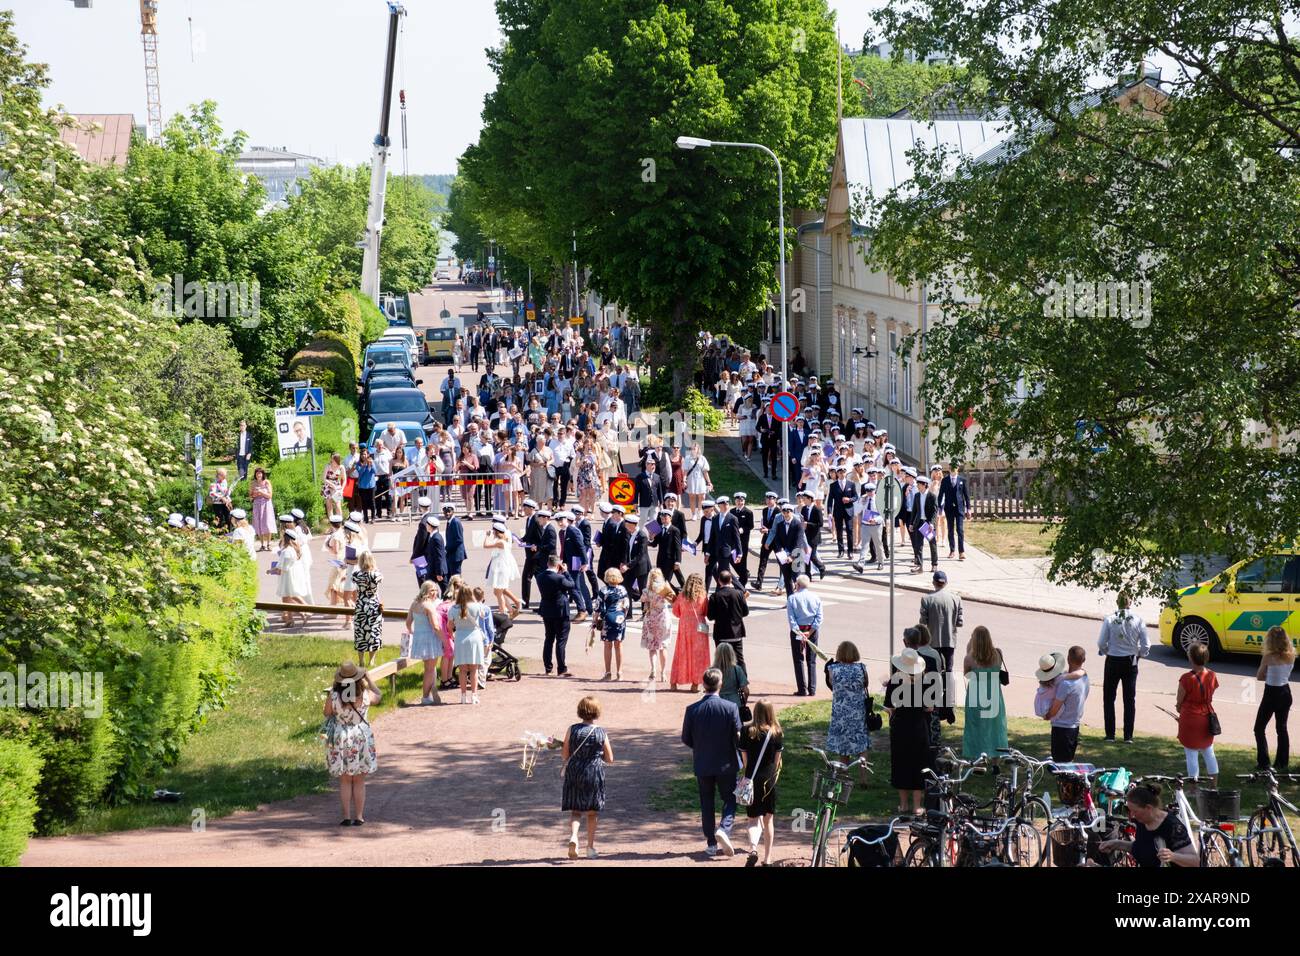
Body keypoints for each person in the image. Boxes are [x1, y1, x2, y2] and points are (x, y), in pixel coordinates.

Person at [681, 667, 743, 857]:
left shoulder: (692, 710)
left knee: (706, 803)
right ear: (720, 684)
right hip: (726, 763)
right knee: (730, 799)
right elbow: (738, 736)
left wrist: (699, 748)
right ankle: (724, 828)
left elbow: (686, 738)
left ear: (703, 684)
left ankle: (710, 842)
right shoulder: (730, 708)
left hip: (703, 763)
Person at [323, 661, 380, 826]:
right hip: (360, 736)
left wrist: (335, 688)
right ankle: (359, 816)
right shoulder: (365, 694)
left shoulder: (334, 695)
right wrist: (368, 679)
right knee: (359, 780)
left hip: (341, 737)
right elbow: (379, 694)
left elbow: (327, 713)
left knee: (345, 780)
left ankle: (346, 816)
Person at [562, 696, 615, 860]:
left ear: (580, 711)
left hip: (574, 771)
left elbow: (565, 754)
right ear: (597, 712)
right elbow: (610, 758)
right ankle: (590, 848)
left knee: (576, 810)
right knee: (592, 813)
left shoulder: (572, 729)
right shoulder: (601, 732)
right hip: (594, 773)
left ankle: (574, 837)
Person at [1098, 784, 1198, 867]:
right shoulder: (1141, 821)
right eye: (1129, 810)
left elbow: (1195, 861)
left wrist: (1173, 856)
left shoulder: (1173, 826)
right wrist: (1115, 844)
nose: (1131, 815)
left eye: (1135, 811)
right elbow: (1143, 847)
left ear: (1148, 808)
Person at [885, 647, 933, 814]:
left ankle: (903, 804)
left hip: (900, 726)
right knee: (919, 763)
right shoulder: (925, 681)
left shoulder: (895, 680)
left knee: (901, 763)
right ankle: (917, 805)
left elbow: (889, 706)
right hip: (919, 726)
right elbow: (929, 708)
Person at [1097, 591, 1149, 743]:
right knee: (1129, 698)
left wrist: (1108, 651)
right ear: (1130, 602)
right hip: (1130, 660)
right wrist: (1139, 654)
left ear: (1117, 603)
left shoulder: (1110, 619)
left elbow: (1101, 643)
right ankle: (1128, 735)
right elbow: (1146, 644)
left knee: (1109, 697)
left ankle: (1110, 734)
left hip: (1113, 659)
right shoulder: (1138, 620)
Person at [739, 700, 782, 867]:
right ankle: (768, 858)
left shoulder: (746, 730)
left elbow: (745, 760)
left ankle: (753, 849)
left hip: (751, 778)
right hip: (769, 780)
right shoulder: (776, 732)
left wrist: (747, 773)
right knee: (768, 820)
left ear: (755, 711)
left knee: (752, 819)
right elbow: (777, 761)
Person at [918, 570, 962, 719]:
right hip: (949, 641)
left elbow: (922, 622)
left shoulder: (927, 599)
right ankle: (948, 707)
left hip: (933, 642)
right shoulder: (956, 599)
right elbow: (959, 622)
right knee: (948, 672)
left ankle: (935, 704)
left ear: (934, 582)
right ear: (946, 582)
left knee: (933, 674)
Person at [826, 641, 872, 779]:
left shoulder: (833, 669)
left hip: (841, 712)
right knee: (862, 746)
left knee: (843, 746)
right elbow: (866, 684)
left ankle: (844, 775)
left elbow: (831, 684)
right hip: (858, 711)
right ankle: (863, 777)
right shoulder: (861, 668)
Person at [1176, 641, 1219, 786]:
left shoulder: (1186, 678)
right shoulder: (1212, 675)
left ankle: (1193, 787)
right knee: (1209, 752)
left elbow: (1179, 699)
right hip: (1207, 715)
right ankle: (1214, 784)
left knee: (1191, 754)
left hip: (1190, 717)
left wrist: (1179, 708)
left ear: (1191, 658)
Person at [962, 626, 1008, 760]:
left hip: (976, 695)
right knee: (995, 727)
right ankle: (996, 761)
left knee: (975, 726)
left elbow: (967, 674)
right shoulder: (998, 654)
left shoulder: (969, 658)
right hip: (994, 694)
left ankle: (977, 758)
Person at [1255, 625, 1295, 770]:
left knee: (1259, 728)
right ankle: (1282, 763)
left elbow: (1259, 676)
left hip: (1271, 693)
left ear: (1270, 640)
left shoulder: (1268, 657)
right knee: (1282, 729)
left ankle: (1264, 762)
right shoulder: (1291, 655)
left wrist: (1268, 673)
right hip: (1285, 692)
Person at [1041, 646, 1089, 762]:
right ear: (1083, 660)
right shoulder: (1085, 678)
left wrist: (1048, 715)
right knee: (1068, 759)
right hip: (1074, 725)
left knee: (1061, 764)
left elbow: (1056, 707)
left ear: (1068, 659)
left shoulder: (1066, 684)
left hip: (1062, 727)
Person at [404, 581, 445, 705]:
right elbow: (436, 627)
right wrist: (444, 640)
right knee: (430, 669)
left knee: (428, 668)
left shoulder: (414, 603)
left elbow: (408, 622)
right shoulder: (428, 606)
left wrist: (414, 633)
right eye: (431, 590)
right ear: (425, 591)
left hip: (420, 638)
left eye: (435, 590)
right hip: (430, 639)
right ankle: (426, 697)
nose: (434, 593)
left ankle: (431, 691)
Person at [538, 554, 578, 677]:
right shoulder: (559, 578)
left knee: (549, 638)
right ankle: (561, 668)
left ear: (547, 564)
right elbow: (572, 584)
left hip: (547, 610)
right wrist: (565, 572)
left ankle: (548, 668)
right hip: (560, 611)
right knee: (561, 640)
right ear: (558, 565)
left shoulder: (540, 577)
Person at [449, 583, 488, 704]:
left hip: (460, 637)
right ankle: (474, 695)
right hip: (474, 637)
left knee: (462, 670)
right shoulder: (477, 606)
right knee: (474, 669)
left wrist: (452, 635)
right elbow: (483, 616)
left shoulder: (453, 609)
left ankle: (463, 696)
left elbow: (449, 626)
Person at [670, 573, 710, 692]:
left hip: (685, 627)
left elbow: (676, 612)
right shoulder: (703, 596)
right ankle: (695, 684)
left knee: (681, 654)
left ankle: (674, 682)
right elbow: (706, 611)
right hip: (698, 627)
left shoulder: (682, 595)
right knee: (698, 656)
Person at [787, 574, 823, 696]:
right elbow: (819, 618)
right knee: (811, 660)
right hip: (811, 631)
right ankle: (812, 689)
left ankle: (802, 689)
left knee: (798, 660)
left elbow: (791, 619)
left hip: (798, 632)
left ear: (797, 584)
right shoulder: (816, 598)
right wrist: (810, 632)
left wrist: (800, 633)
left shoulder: (792, 598)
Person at [706, 569, 749, 668]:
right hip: (736, 633)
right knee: (739, 659)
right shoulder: (739, 594)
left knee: (721, 660)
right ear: (731, 580)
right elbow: (745, 612)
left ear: (719, 581)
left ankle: (722, 681)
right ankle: (742, 681)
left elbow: (710, 616)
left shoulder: (715, 596)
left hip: (721, 634)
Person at [593, 567, 629, 681]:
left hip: (607, 619)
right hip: (619, 619)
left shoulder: (603, 590)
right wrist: (623, 616)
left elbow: (598, 608)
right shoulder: (623, 590)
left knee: (607, 646)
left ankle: (608, 672)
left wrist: (595, 621)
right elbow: (626, 606)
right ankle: (620, 672)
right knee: (618, 645)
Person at [641, 568, 675, 683]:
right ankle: (663, 672)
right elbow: (673, 599)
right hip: (663, 618)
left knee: (652, 646)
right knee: (663, 645)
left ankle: (654, 669)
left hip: (651, 618)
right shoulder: (664, 588)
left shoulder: (647, 590)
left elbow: (642, 600)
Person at [483, 519, 523, 617]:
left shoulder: (500, 542)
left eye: (493, 531)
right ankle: (512, 608)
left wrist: (487, 536)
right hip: (499, 567)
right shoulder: (502, 539)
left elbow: (485, 545)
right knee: (500, 590)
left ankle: (503, 611)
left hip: (501, 568)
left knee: (498, 591)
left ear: (496, 532)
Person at [273, 526, 311, 627]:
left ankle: (307, 609)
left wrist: (273, 570)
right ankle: (290, 619)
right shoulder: (292, 549)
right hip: (289, 575)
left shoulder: (287, 551)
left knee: (291, 595)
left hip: (287, 576)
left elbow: (283, 567)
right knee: (286, 598)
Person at [352, 551, 384, 668]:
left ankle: (361, 660)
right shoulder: (376, 575)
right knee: (373, 632)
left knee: (360, 632)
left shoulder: (356, 575)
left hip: (361, 604)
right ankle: (371, 661)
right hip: (373, 605)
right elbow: (380, 579)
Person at [937, 461, 971, 560]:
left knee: (960, 530)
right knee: (950, 529)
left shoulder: (962, 480)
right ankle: (952, 550)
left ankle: (961, 552)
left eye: (955, 467)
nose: (953, 469)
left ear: (958, 468)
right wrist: (940, 507)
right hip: (948, 508)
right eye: (952, 467)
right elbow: (940, 495)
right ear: (949, 468)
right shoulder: (945, 480)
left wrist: (968, 509)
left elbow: (966, 496)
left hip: (959, 508)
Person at [713, 642, 749, 715]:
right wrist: (744, 701)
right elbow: (746, 691)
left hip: (717, 703)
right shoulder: (737, 669)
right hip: (735, 703)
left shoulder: (712, 670)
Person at [249, 467, 275, 551]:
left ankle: (268, 543)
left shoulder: (267, 482)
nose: (258, 475)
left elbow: (270, 496)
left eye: (260, 473)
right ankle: (262, 544)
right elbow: (250, 496)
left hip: (266, 504)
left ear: (263, 474)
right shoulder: (253, 483)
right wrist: (255, 494)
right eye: (257, 474)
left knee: (267, 522)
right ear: (255, 475)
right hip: (257, 504)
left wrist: (262, 492)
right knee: (258, 523)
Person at [323, 453, 346, 522]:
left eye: (333, 459)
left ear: (337, 459)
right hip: (327, 486)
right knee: (329, 507)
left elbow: (344, 479)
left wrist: (342, 489)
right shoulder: (328, 466)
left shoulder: (341, 467)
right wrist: (332, 485)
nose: (331, 460)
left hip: (337, 487)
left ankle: (340, 523)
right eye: (331, 458)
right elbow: (323, 478)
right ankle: (332, 524)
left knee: (338, 505)